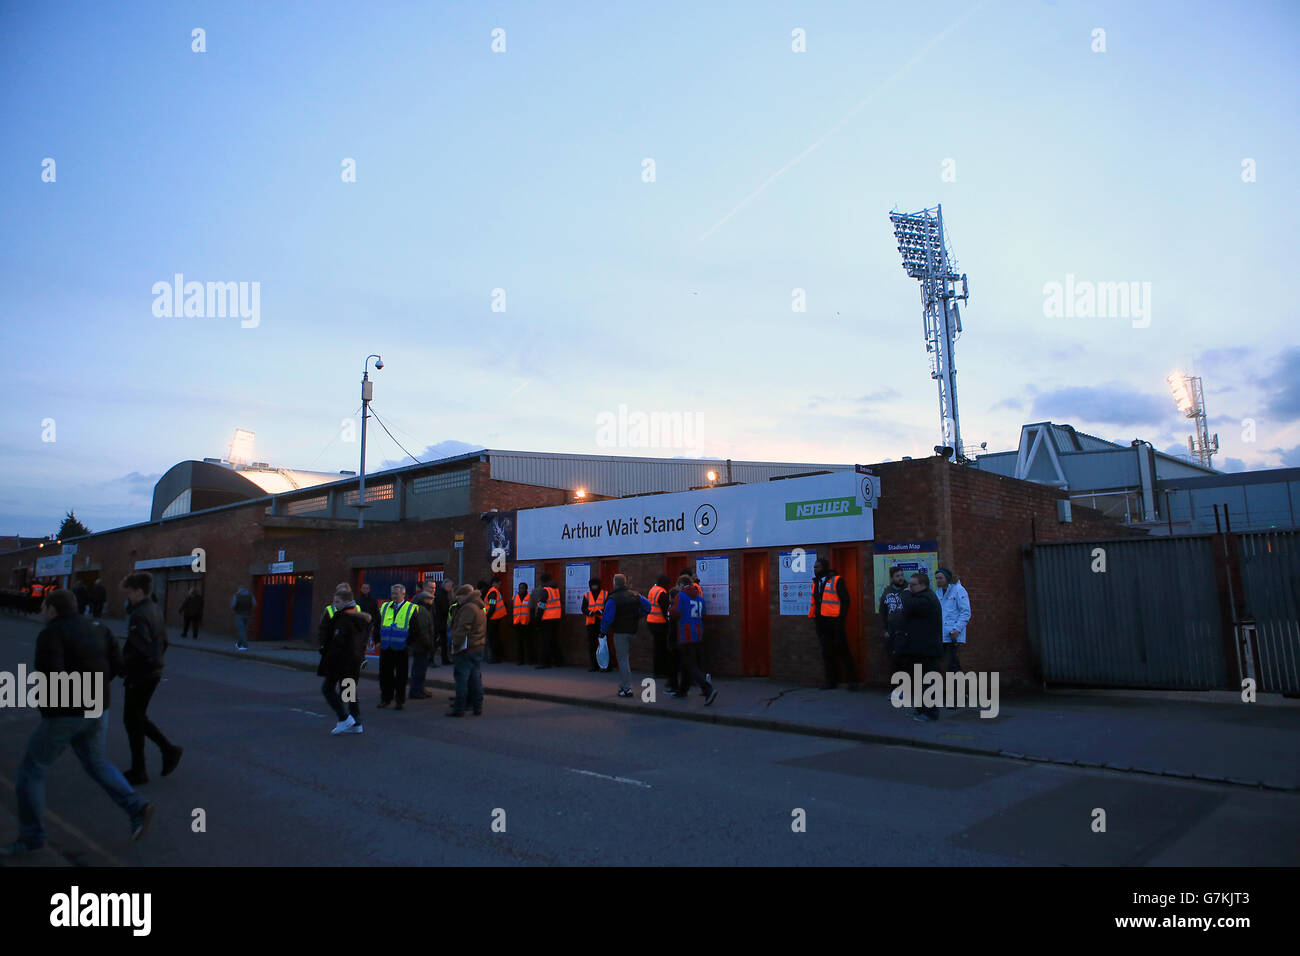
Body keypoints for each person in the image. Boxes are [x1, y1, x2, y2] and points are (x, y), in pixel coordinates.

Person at [1, 589, 154, 856]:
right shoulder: (100, 628)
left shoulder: (52, 633)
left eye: (43, 607)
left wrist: (50, 709)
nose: (40, 612)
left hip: (66, 713)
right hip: (97, 708)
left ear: (52, 609)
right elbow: (118, 666)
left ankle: (32, 836)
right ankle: (136, 806)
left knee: (31, 770)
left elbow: (52, 676)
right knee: (97, 763)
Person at [121, 572, 182, 785]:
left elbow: (139, 648)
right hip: (153, 671)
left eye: (129, 592)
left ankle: (163, 753)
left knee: (133, 719)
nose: (127, 597)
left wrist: (121, 667)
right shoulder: (155, 609)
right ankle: (143, 765)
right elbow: (163, 642)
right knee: (136, 718)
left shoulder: (139, 614)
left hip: (141, 673)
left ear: (138, 591)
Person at [318, 584, 368, 734]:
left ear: (345, 602)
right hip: (353, 659)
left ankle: (344, 718)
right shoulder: (359, 618)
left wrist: (327, 657)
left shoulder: (343, 619)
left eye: (337, 601)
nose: (334, 604)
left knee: (327, 689)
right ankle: (356, 722)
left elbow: (338, 642)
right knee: (349, 690)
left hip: (341, 661)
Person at [899, 571, 944, 721]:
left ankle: (931, 713)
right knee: (918, 681)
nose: (909, 587)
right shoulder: (921, 596)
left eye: (912, 585)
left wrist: (904, 593)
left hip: (927, 649)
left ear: (922, 585)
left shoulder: (927, 599)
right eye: (909, 584)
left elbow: (909, 606)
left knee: (928, 682)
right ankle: (920, 709)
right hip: (918, 648)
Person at [809, 558, 859, 690]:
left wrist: (840, 620)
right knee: (827, 653)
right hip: (821, 623)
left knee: (843, 651)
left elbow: (845, 601)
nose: (815, 570)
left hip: (835, 622)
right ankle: (830, 681)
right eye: (814, 567)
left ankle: (853, 681)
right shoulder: (816, 583)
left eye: (817, 567)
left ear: (824, 568)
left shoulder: (836, 580)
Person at [601, 574, 651, 697]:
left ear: (615, 583)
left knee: (623, 660)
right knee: (626, 659)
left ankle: (626, 688)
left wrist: (603, 631)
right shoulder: (635, 595)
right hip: (633, 630)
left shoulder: (613, 599)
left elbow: (607, 618)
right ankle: (625, 686)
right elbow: (648, 607)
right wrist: (637, 616)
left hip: (620, 632)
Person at [669, 575, 715, 704]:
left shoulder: (681, 597)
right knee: (687, 663)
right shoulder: (699, 598)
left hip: (686, 633)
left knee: (690, 664)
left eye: (678, 585)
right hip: (698, 632)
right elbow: (704, 613)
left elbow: (675, 613)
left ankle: (707, 689)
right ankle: (683, 690)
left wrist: (670, 608)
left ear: (681, 585)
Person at [446, 584, 486, 717]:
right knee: (475, 679)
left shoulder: (468, 608)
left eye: (459, 597)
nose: (457, 600)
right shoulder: (480, 606)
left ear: (465, 595)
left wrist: (455, 644)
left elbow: (462, 629)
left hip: (465, 648)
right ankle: (477, 707)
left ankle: (459, 709)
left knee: (462, 680)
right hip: (477, 646)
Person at [377, 584, 416, 710]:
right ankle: (385, 699)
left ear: (403, 594)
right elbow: (378, 625)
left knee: (401, 676)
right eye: (392, 593)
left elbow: (416, 629)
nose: (393, 595)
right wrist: (377, 640)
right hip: (386, 647)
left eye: (396, 593)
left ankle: (399, 700)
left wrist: (409, 644)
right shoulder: (384, 606)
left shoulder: (411, 608)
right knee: (385, 675)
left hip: (401, 648)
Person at [877, 565, 909, 699]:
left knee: (906, 662)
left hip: (906, 632)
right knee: (894, 662)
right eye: (898, 576)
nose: (901, 578)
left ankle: (906, 690)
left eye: (902, 575)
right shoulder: (887, 592)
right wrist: (885, 630)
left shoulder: (909, 590)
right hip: (891, 633)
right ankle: (896, 690)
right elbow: (883, 612)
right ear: (892, 578)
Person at [934, 568, 971, 675]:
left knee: (953, 665)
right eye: (936, 578)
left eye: (940, 578)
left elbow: (965, 612)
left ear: (947, 578)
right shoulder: (938, 592)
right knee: (942, 664)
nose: (938, 580)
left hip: (953, 635)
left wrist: (957, 630)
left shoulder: (959, 590)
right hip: (942, 635)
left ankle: (958, 691)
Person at [406, 582, 438, 700]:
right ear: (425, 600)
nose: (432, 601)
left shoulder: (423, 609)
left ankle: (419, 688)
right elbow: (423, 630)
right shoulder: (422, 611)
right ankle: (416, 690)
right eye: (430, 599)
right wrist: (429, 644)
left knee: (420, 668)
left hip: (420, 643)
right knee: (419, 668)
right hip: (421, 644)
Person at [647, 573, 677, 694]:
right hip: (659, 623)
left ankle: (657, 670)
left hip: (651, 621)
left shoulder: (653, 589)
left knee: (657, 647)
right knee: (661, 648)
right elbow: (666, 610)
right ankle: (660, 671)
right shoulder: (662, 593)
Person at [534, 573, 563, 668]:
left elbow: (542, 606)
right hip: (556, 618)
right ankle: (559, 661)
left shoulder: (545, 591)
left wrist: (537, 621)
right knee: (554, 640)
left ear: (543, 581)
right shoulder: (556, 590)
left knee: (545, 642)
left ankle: (544, 663)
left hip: (546, 619)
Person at [582, 577, 608, 672]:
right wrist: (590, 613)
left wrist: (600, 611)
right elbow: (583, 608)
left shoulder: (605, 594)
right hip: (591, 623)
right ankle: (594, 665)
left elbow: (608, 607)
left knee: (603, 645)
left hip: (601, 622)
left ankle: (605, 665)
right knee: (592, 645)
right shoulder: (586, 595)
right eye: (592, 585)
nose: (594, 587)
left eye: (596, 585)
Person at [482, 577, 507, 663]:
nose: (499, 586)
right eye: (498, 584)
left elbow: (492, 607)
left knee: (493, 639)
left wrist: (487, 617)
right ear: (494, 583)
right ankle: (496, 657)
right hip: (496, 618)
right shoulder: (494, 592)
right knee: (495, 638)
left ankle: (494, 658)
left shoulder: (493, 592)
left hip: (493, 618)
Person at [434, 579, 454, 666]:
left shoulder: (441, 594)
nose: (450, 588)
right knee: (442, 641)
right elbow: (444, 609)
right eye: (450, 586)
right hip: (441, 621)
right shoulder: (442, 595)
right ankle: (444, 659)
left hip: (440, 621)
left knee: (440, 641)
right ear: (446, 586)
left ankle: (442, 659)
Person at [512, 582, 532, 665]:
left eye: (523, 588)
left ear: (526, 589)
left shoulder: (529, 597)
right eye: (520, 588)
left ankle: (529, 660)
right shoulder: (514, 597)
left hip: (527, 623)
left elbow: (533, 609)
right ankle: (520, 660)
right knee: (519, 642)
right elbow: (512, 609)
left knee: (528, 643)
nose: (521, 589)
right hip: (517, 622)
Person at [231, 585, 255, 650]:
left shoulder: (237, 595)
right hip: (248, 615)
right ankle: (238, 644)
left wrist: (235, 609)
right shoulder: (250, 595)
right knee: (243, 629)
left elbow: (233, 605)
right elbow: (254, 604)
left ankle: (245, 646)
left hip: (239, 614)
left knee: (242, 631)